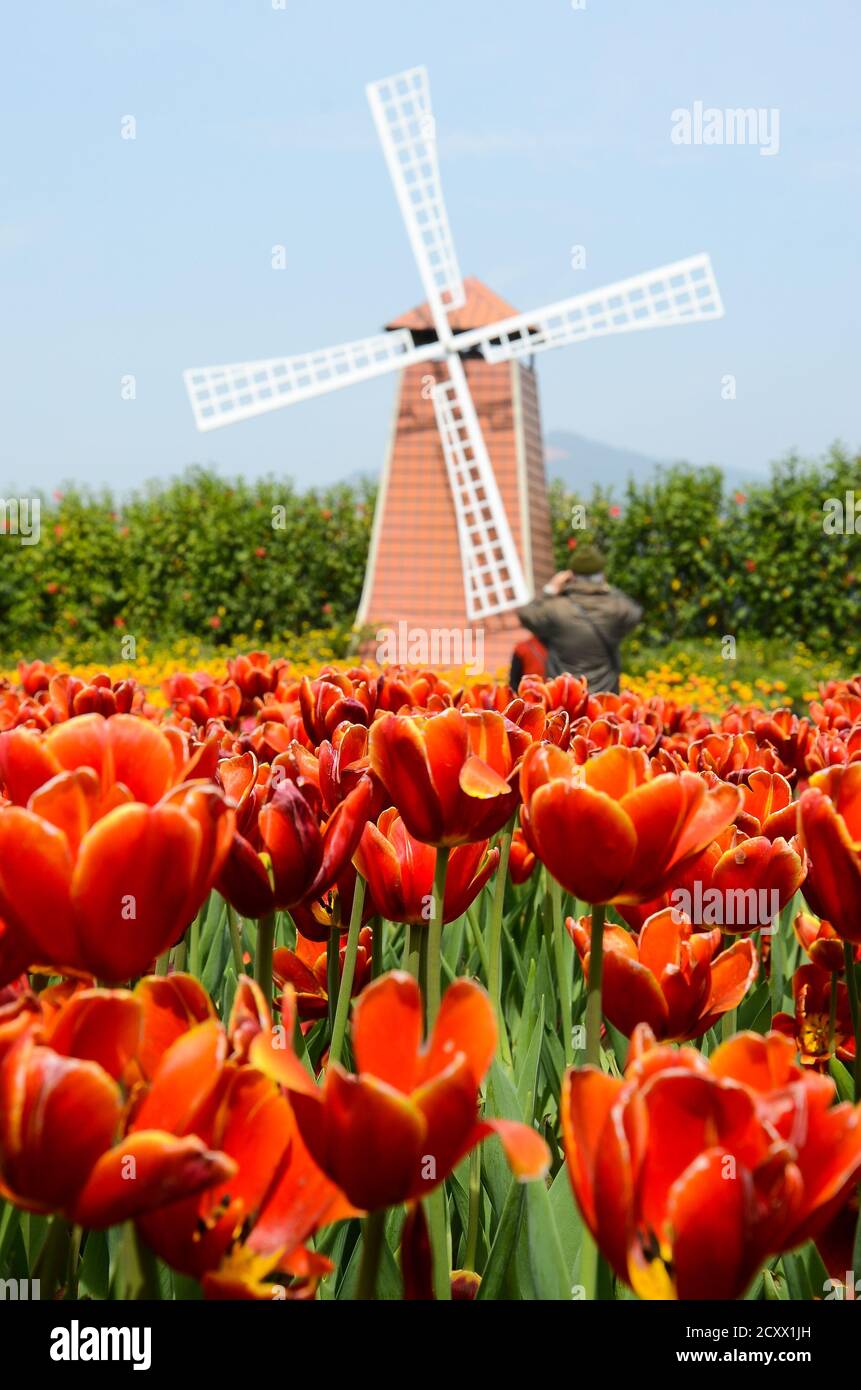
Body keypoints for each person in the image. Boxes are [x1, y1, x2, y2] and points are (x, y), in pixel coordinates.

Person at [515, 544, 642, 694]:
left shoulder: (556, 607)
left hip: (564, 698)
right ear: (601, 575)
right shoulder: (615, 607)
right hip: (604, 697)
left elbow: (525, 614)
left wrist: (550, 589)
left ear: (571, 575)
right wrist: (608, 588)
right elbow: (635, 612)